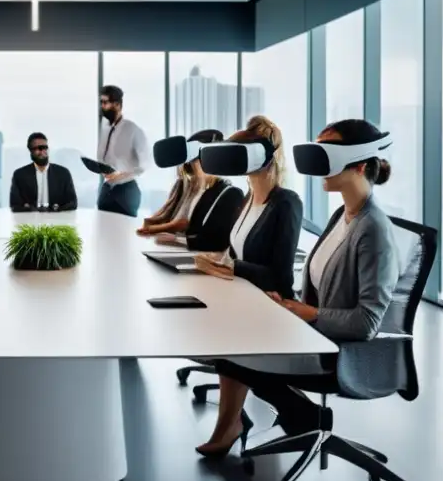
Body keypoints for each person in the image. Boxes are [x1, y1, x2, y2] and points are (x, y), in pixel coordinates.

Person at [196, 118, 399, 461]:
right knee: (231, 336)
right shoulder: (343, 216)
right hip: (310, 328)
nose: (316, 163)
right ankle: (297, 416)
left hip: (340, 350)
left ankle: (304, 417)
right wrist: (289, 306)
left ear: (360, 165)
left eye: (326, 152)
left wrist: (305, 313)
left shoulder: (373, 229)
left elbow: (366, 323)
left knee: (236, 347)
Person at [193, 115, 303, 299]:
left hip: (270, 305)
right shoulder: (248, 198)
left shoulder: (287, 203)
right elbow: (235, 253)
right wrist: (217, 261)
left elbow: (281, 279)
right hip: (240, 295)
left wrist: (232, 266)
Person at [148, 130, 246, 252]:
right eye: (194, 161)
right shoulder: (201, 192)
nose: (196, 166)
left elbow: (216, 241)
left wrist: (176, 240)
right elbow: (192, 231)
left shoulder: (230, 194)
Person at [96, 85, 148, 217]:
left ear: (118, 105)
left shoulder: (133, 130)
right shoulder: (105, 130)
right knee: (102, 229)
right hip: (107, 189)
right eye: (101, 102)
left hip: (126, 191)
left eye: (105, 102)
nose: (102, 106)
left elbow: (145, 164)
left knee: (124, 232)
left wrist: (121, 175)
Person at [9, 132, 78, 212]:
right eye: (37, 148)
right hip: (29, 220)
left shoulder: (63, 173)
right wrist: (31, 209)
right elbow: (14, 205)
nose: (42, 152)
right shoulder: (19, 175)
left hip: (57, 219)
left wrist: (56, 209)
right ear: (30, 150)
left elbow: (73, 203)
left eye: (44, 147)